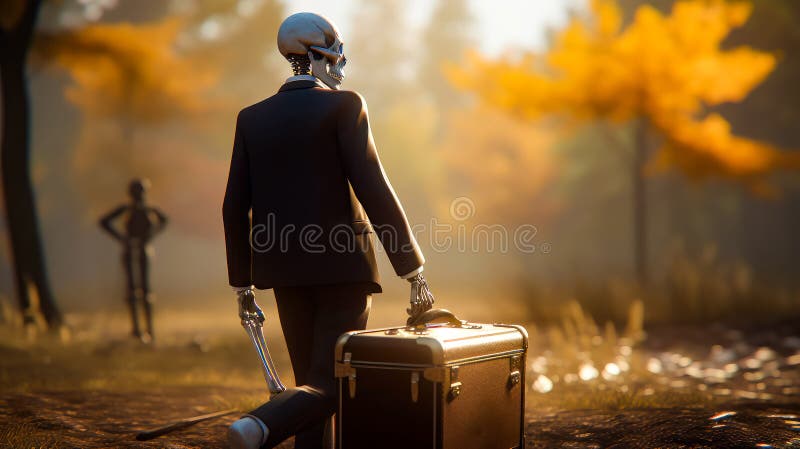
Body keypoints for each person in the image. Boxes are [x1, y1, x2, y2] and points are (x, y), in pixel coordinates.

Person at [223, 12, 434, 449]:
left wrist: (242, 283)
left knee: (310, 384)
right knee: (332, 383)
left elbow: (232, 208)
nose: (341, 60)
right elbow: (374, 188)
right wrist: (412, 269)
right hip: (344, 268)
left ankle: (277, 428)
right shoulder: (345, 105)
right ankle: (259, 426)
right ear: (315, 55)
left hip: (281, 271)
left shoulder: (251, 117)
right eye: (335, 49)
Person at [99, 178, 168, 343]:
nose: (139, 195)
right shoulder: (128, 209)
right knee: (132, 289)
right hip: (130, 250)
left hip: (142, 250)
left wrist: (150, 236)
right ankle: (137, 329)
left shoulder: (149, 208)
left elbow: (164, 221)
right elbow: (104, 222)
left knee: (145, 289)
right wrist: (122, 239)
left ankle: (148, 329)